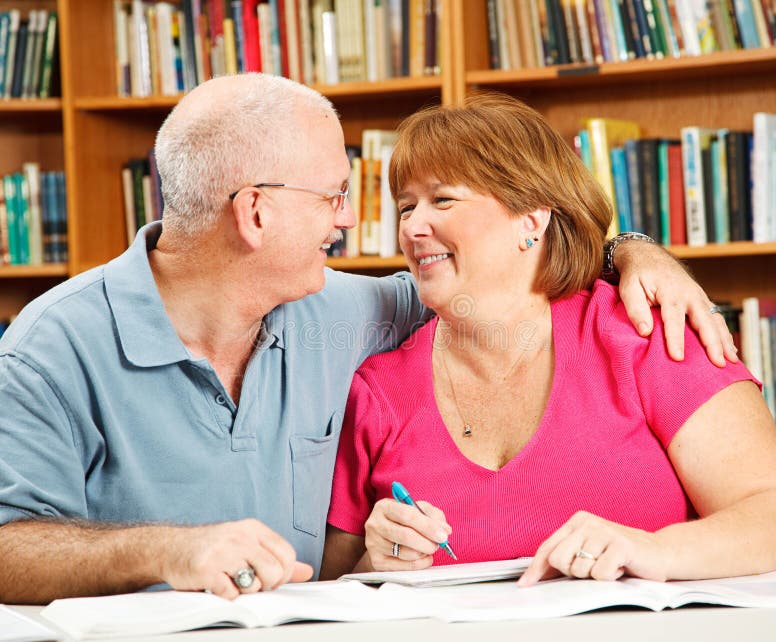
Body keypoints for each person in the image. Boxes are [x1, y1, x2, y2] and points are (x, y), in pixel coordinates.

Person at [0, 75, 731, 605]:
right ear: (255, 213)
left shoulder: (345, 309)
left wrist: (633, 251)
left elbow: (503, 273)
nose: (349, 222)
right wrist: (166, 550)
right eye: (333, 196)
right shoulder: (52, 349)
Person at [320, 93, 776, 584]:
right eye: (406, 207)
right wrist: (377, 560)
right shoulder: (377, 390)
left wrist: (652, 549)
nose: (412, 227)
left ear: (532, 218)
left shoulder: (643, 334)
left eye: (442, 199)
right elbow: (332, 588)